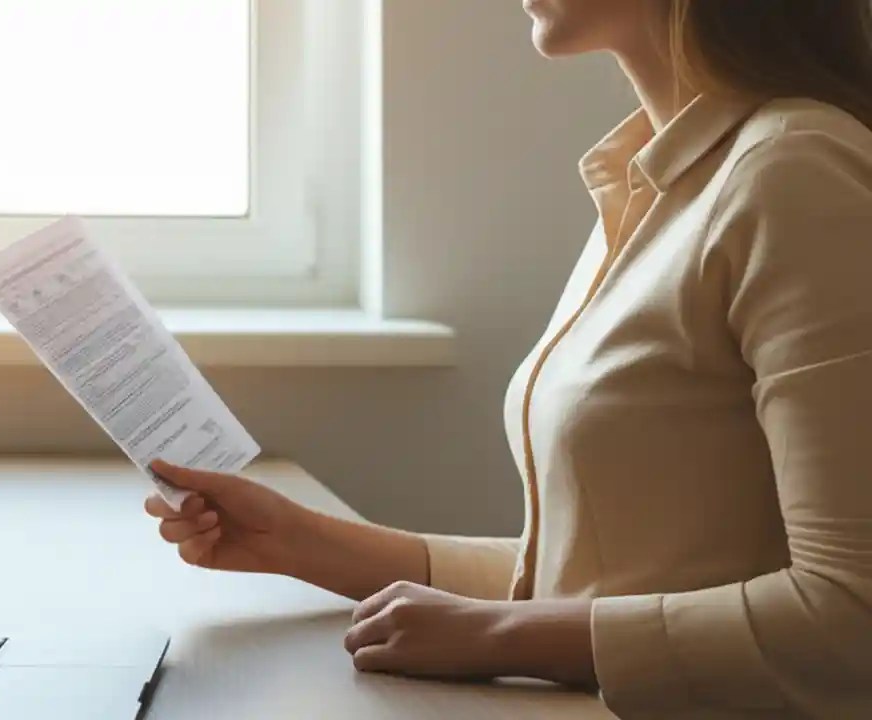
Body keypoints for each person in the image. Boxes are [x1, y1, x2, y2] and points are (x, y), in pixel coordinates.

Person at [145, 1, 872, 717]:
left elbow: (853, 614)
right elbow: (601, 574)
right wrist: (298, 541)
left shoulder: (793, 172)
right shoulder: (654, 180)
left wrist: (496, 636)